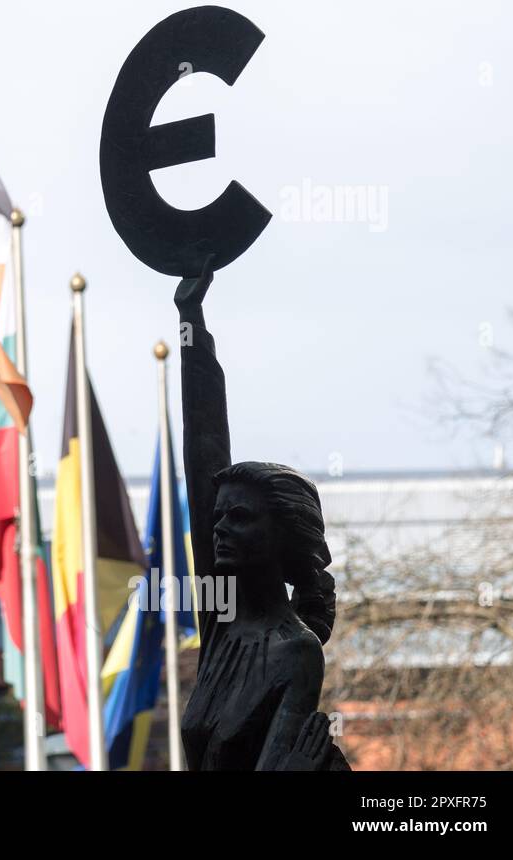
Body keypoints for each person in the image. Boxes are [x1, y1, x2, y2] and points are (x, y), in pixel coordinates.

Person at [175, 258, 348, 770]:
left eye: (241, 518)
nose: (220, 527)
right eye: (219, 516)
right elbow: (204, 447)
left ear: (281, 538)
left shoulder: (296, 652)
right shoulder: (221, 614)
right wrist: (190, 321)